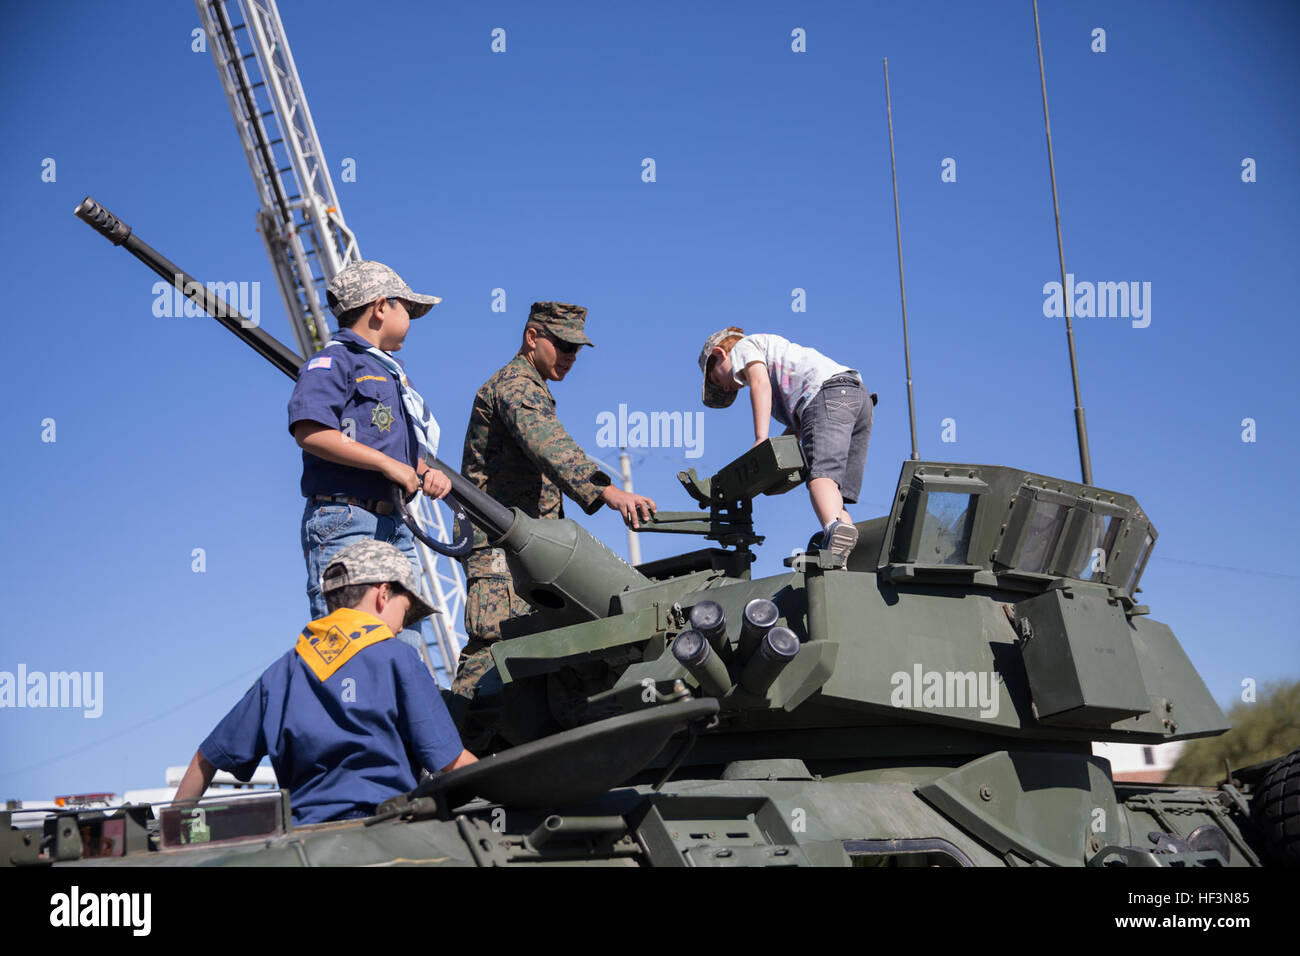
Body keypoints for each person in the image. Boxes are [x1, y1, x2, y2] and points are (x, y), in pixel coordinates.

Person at [173, 540, 477, 825]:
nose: (401, 627)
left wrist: (174, 832)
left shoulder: (280, 673)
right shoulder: (399, 659)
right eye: (406, 611)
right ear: (383, 595)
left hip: (305, 838)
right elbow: (452, 763)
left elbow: (206, 758)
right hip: (385, 831)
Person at [452, 301, 657, 701]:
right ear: (532, 337)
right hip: (500, 548)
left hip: (525, 547)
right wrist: (607, 491)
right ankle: (452, 745)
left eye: (577, 349)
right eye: (563, 345)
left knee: (526, 649)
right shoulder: (515, 384)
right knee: (492, 648)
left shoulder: (533, 386)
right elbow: (548, 443)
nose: (570, 357)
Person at [287, 260, 452, 652]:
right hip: (347, 523)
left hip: (395, 523)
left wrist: (424, 470)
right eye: (406, 309)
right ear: (380, 307)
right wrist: (387, 464)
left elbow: (390, 445)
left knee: (404, 652)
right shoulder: (333, 362)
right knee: (354, 650)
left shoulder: (391, 374)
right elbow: (310, 431)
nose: (409, 319)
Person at [699, 326, 875, 558]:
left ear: (720, 354)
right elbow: (801, 427)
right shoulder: (783, 376)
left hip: (829, 395)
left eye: (716, 379)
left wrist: (761, 438)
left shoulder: (745, 347)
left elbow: (760, 385)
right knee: (834, 492)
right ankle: (842, 555)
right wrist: (773, 457)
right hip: (859, 399)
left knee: (820, 478)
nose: (723, 387)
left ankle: (833, 529)